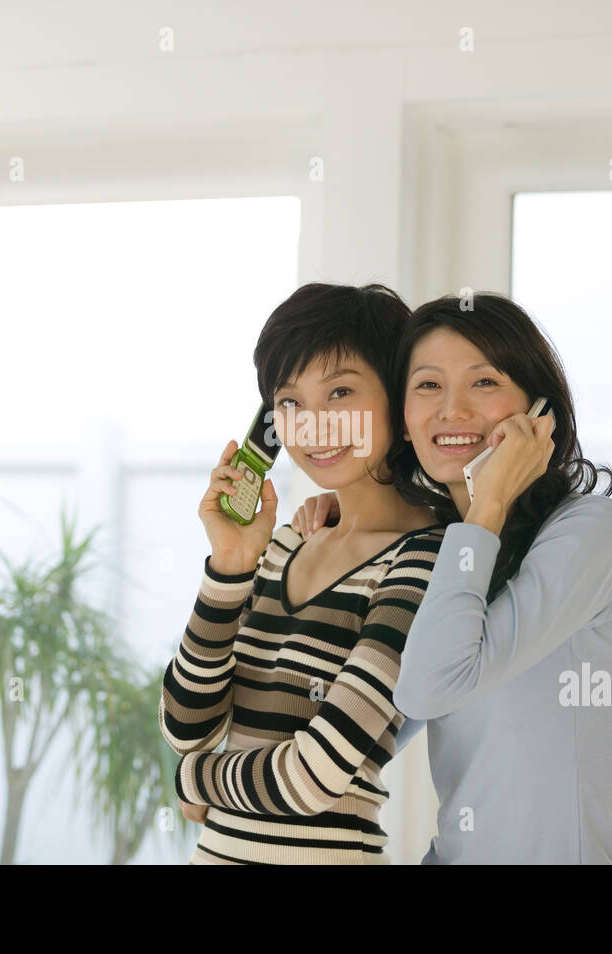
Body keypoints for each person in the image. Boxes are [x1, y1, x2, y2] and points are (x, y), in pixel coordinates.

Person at [292, 293, 612, 863]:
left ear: (540, 411)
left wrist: (489, 504)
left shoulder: (590, 531)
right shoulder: (448, 552)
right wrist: (346, 535)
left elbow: (431, 685)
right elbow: (367, 729)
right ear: (403, 423)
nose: (452, 410)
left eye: (484, 383)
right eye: (428, 386)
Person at [158, 282, 446, 864]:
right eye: (289, 402)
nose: (312, 426)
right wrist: (230, 567)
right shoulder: (287, 541)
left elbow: (313, 777)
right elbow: (186, 725)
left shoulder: (425, 559)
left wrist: (194, 781)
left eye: (339, 391)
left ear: (397, 394)